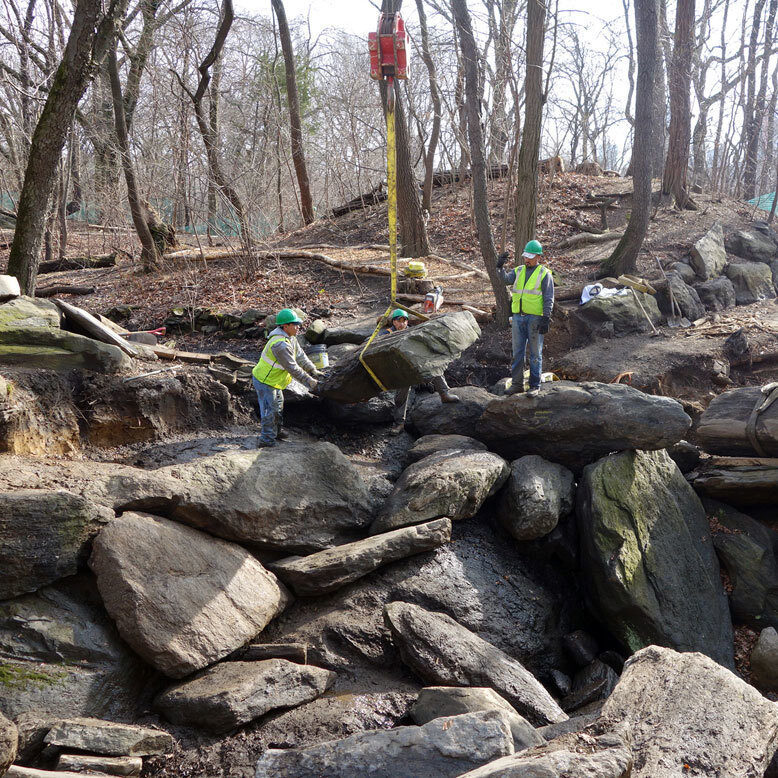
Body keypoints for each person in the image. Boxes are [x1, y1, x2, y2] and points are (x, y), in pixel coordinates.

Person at [380, 308, 459, 433]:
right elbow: (372, 342)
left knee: (435, 369)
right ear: (394, 322)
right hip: (402, 370)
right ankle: (399, 424)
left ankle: (444, 394)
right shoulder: (386, 334)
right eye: (399, 321)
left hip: (418, 366)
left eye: (404, 321)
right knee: (401, 397)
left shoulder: (414, 331)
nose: (402, 324)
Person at [252, 308, 321, 448]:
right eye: (295, 324)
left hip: (275, 381)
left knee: (278, 406)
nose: (298, 327)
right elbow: (293, 368)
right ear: (285, 326)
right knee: (269, 410)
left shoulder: (291, 339)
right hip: (265, 381)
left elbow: (300, 356)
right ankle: (266, 440)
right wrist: (309, 381)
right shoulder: (280, 345)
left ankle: (275, 432)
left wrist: (313, 369)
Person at [497, 240, 554, 397]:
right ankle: (517, 384)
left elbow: (549, 298)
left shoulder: (544, 274)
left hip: (535, 318)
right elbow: (505, 280)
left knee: (535, 354)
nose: (527, 259)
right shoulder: (519, 270)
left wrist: (546, 317)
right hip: (518, 317)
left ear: (538, 257)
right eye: (525, 256)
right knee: (517, 352)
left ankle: (535, 386)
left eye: (530, 257)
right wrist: (499, 267)